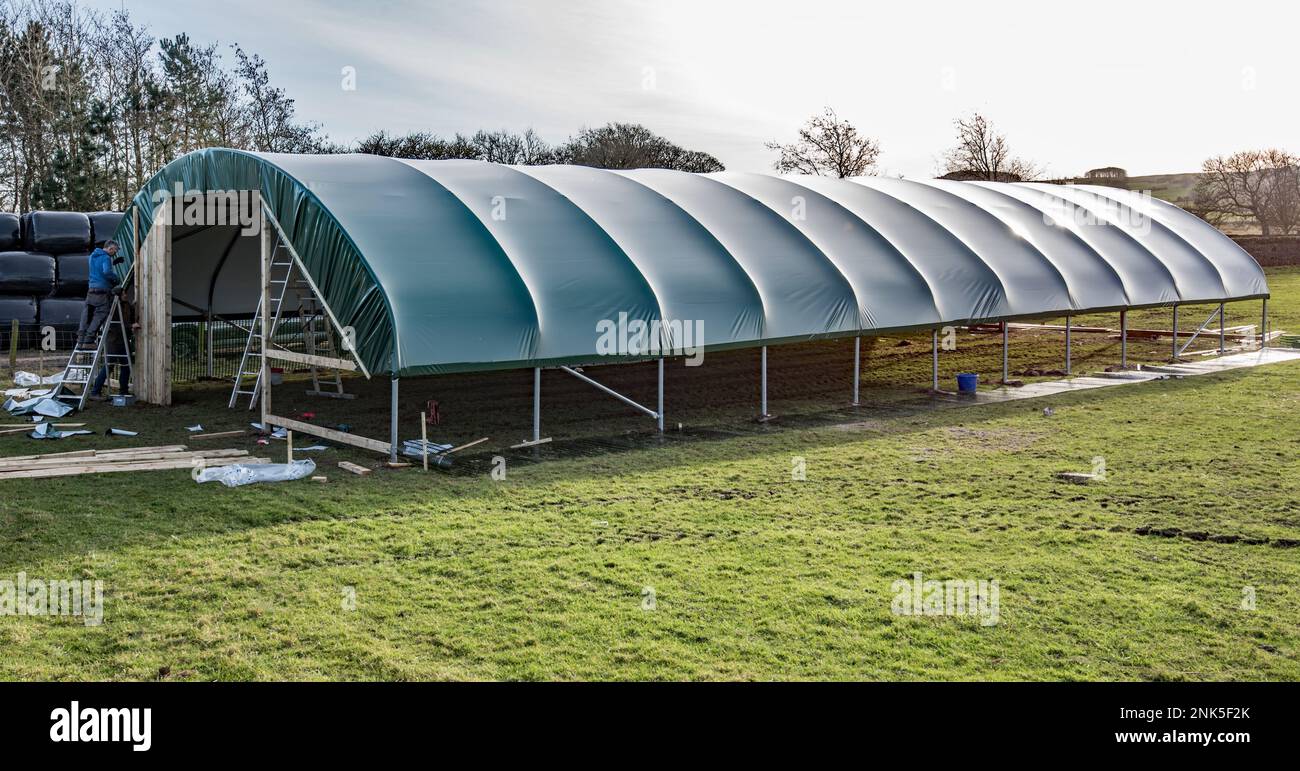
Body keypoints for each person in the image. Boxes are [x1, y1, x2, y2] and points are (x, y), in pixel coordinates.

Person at [88, 287, 135, 400]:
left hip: (124, 340)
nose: (125, 295)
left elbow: (130, 318)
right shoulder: (111, 308)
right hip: (113, 341)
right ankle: (95, 391)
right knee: (109, 366)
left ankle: (123, 391)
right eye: (123, 293)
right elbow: (115, 326)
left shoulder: (127, 306)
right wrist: (130, 326)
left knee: (126, 366)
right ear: (118, 295)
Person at [76, 239, 123, 350]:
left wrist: (114, 262)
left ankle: (80, 341)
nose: (115, 253)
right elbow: (106, 271)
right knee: (101, 313)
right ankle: (89, 340)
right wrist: (116, 279)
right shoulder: (106, 258)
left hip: (91, 290)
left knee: (87, 315)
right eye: (115, 251)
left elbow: (98, 269)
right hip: (102, 291)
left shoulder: (93, 256)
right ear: (110, 248)